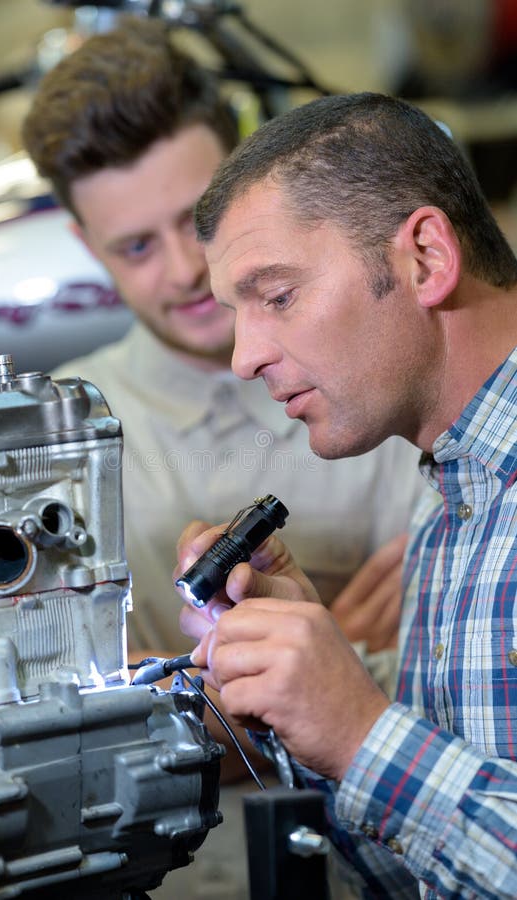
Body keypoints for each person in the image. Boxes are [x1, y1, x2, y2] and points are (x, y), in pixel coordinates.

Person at [21, 23, 428, 899]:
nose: (183, 271)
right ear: (89, 248)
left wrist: (214, 710)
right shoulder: (56, 443)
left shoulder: (386, 365)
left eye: (196, 219)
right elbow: (89, 765)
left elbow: (461, 678)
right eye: (134, 247)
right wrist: (341, 669)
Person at [176, 90, 517, 899]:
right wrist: (305, 711)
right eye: (235, 312)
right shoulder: (449, 513)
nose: (243, 356)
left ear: (425, 259)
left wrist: (362, 734)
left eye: (278, 295)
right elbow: (424, 879)